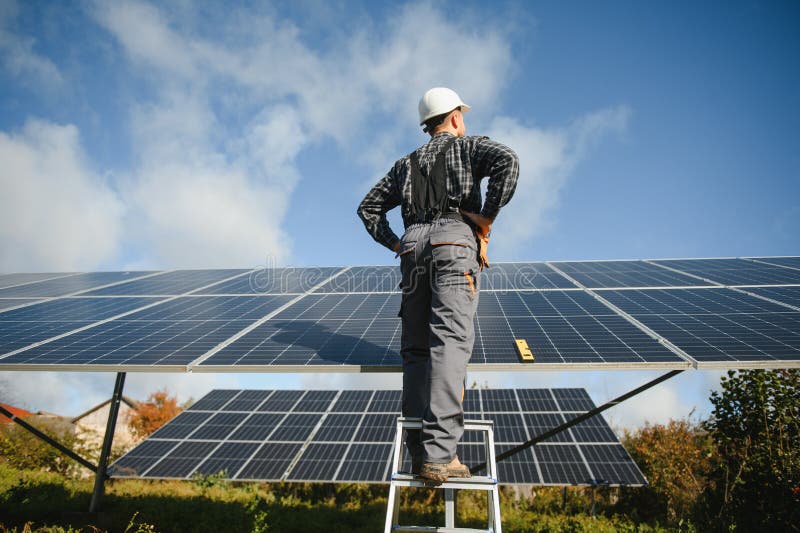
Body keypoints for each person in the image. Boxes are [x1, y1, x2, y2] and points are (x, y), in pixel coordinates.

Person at [357, 87, 519, 482]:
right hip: (453, 242)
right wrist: (486, 216)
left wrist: (396, 242)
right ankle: (441, 455)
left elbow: (368, 207)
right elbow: (508, 161)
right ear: (455, 118)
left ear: (426, 124)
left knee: (415, 350)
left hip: (413, 246)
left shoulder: (404, 164)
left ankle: (418, 452)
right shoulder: (468, 148)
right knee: (448, 342)